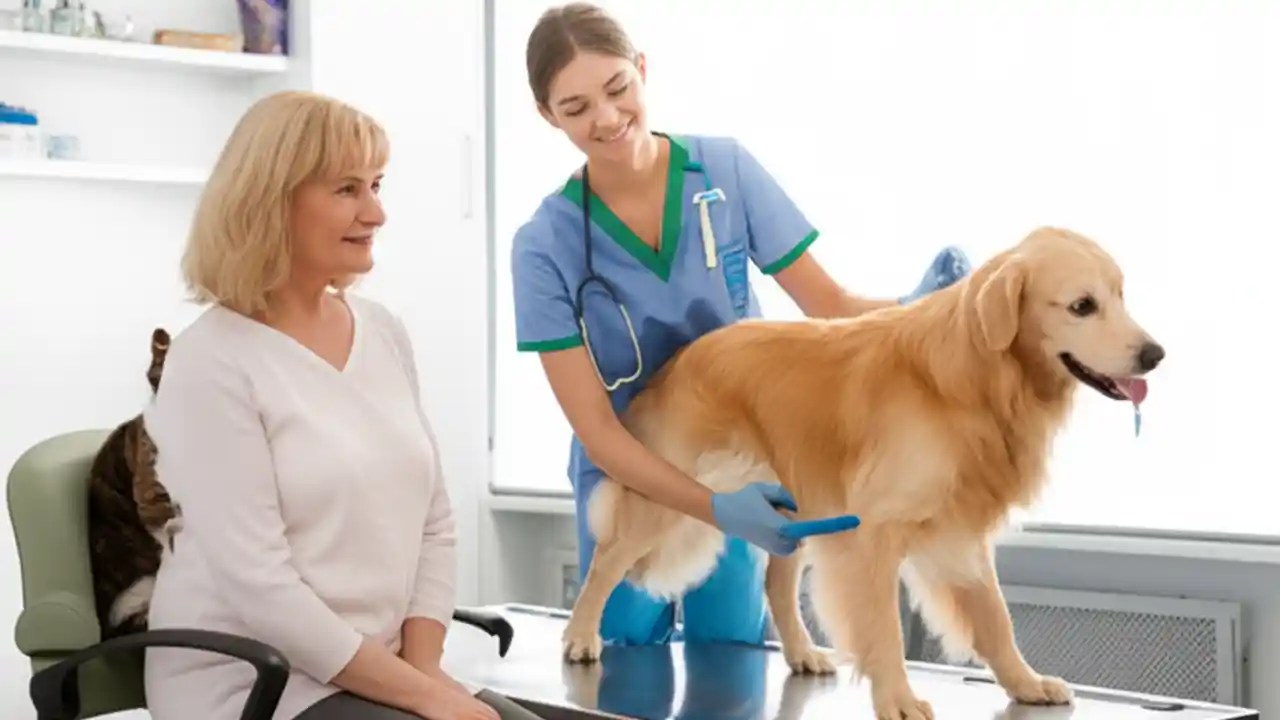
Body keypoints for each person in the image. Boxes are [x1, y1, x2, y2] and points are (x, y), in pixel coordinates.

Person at [511, 3, 971, 649]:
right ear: (547, 115)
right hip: (633, 460)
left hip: (738, 448)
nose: (607, 118)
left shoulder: (724, 172)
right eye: (576, 106)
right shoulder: (544, 244)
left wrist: (925, 310)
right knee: (618, 643)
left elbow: (829, 303)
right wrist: (710, 508)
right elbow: (597, 430)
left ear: (642, 70)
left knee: (728, 645)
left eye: (618, 89)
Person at [143, 91, 539, 720]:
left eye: (377, 184)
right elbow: (263, 589)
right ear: (273, 200)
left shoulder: (382, 330)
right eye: (348, 189)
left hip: (376, 669)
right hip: (255, 680)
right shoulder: (210, 362)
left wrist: (428, 674)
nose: (376, 212)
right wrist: (427, 701)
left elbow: (434, 519)